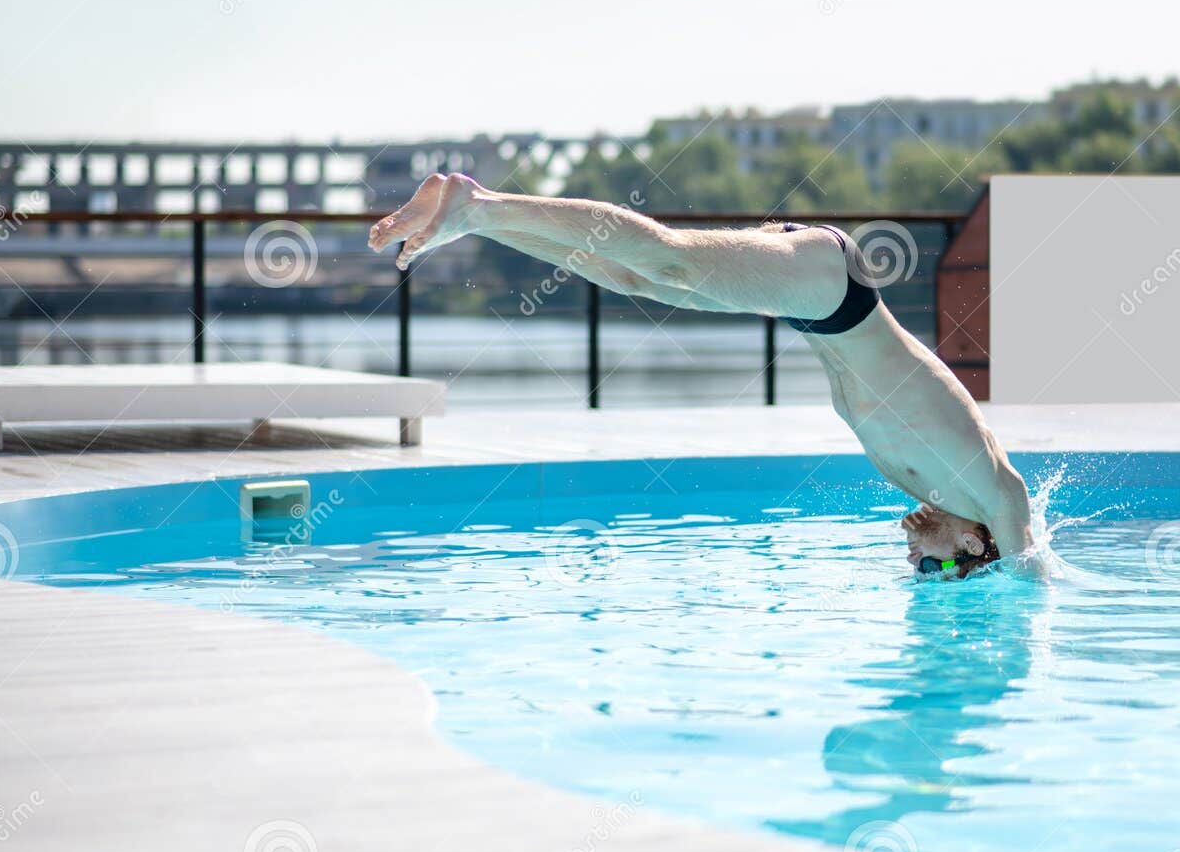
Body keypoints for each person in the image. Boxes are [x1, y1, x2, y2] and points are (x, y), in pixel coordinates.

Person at [369, 174, 1034, 577]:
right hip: (836, 290)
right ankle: (477, 203)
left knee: (636, 277)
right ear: (980, 542)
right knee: (669, 259)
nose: (916, 554)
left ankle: (473, 218)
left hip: (817, 308)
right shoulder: (991, 495)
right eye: (935, 565)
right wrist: (1026, 570)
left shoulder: (929, 485)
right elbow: (1030, 554)